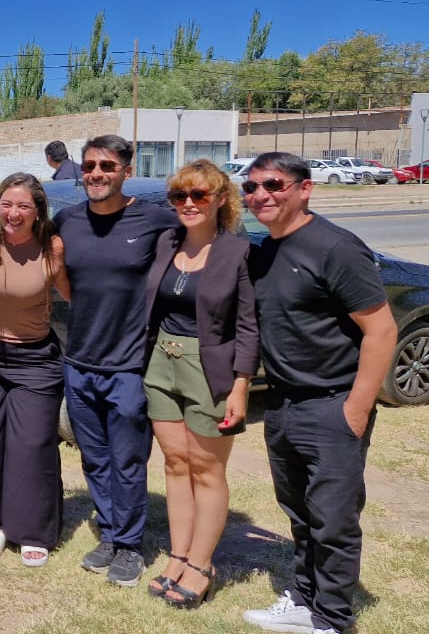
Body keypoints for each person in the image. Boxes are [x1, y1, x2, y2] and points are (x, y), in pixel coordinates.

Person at [240, 152, 397, 634]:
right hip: (283, 403)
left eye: (273, 184)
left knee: (333, 519)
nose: (261, 195)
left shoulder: (336, 248)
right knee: (300, 513)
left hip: (332, 405)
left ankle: (332, 618)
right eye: (251, 187)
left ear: (304, 189)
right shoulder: (265, 251)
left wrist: (357, 408)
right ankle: (305, 599)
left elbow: (382, 331)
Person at [54, 134, 178, 586]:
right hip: (78, 362)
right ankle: (108, 533)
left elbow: (207, 238)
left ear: (127, 171)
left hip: (129, 366)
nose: (96, 174)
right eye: (89, 166)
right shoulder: (67, 221)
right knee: (94, 458)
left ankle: (129, 546)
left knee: (127, 460)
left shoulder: (156, 219)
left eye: (107, 166)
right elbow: (48, 265)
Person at [142, 160, 258, 607]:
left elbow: (248, 325)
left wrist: (241, 384)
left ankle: (202, 564)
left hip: (210, 369)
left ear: (220, 199)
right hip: (160, 364)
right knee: (175, 463)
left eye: (199, 195)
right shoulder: (167, 242)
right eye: (180, 196)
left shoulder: (238, 252)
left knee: (206, 469)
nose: (188, 203)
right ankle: (179, 555)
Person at [0, 173, 70, 567]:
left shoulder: (51, 247)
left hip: (34, 357)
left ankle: (33, 530)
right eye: (6, 204)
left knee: (32, 445)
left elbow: (76, 293)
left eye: (24, 205)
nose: (13, 213)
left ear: (38, 211)